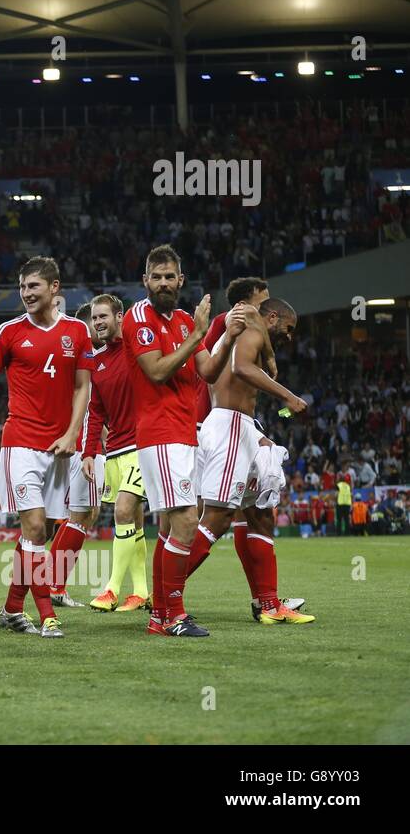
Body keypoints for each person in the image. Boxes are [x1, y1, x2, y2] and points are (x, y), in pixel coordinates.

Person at [0, 257, 94, 639]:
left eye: (34, 286)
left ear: (54, 288)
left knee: (40, 531)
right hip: (21, 443)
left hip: (61, 447)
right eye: (23, 287)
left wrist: (72, 434)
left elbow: (83, 387)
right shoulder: (9, 332)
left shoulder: (78, 332)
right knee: (32, 526)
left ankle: (13, 608)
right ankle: (47, 616)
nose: (27, 293)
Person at [122, 244, 244, 638]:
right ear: (145, 281)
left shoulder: (180, 321)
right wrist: (196, 334)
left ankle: (161, 614)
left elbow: (207, 370)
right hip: (159, 433)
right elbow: (156, 371)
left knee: (170, 527)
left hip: (183, 433)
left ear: (180, 280)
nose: (162, 283)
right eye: (155, 277)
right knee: (187, 522)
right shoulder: (138, 317)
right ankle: (172, 615)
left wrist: (225, 336)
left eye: (168, 277)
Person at [184, 298, 315, 625]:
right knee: (217, 517)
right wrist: (288, 396)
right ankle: (164, 594)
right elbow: (242, 367)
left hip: (240, 427)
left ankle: (269, 603)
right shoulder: (252, 327)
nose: (290, 336)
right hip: (229, 426)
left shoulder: (245, 329)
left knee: (260, 514)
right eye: (288, 328)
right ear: (272, 316)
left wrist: (269, 354)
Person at [83, 295, 151, 613]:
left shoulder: (138, 350)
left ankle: (111, 589)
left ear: (119, 316)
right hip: (115, 451)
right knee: (133, 523)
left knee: (123, 512)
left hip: (142, 444)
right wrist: (87, 453)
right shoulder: (98, 362)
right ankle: (140, 592)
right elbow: (95, 412)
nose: (97, 323)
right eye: (94, 318)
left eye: (103, 316)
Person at [49, 302, 107, 608]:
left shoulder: (75, 359)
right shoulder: (91, 360)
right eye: (95, 323)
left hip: (79, 440)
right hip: (84, 445)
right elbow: (94, 408)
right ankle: (54, 586)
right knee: (82, 516)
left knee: (84, 514)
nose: (101, 328)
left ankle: (51, 580)